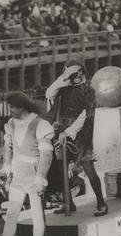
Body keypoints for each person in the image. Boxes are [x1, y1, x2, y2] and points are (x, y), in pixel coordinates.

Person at [0, 91, 54, 236]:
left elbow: (46, 155)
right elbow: (8, 149)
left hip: (33, 175)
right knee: (11, 214)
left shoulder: (40, 124)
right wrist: (5, 169)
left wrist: (41, 178)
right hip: (17, 175)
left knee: (37, 214)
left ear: (22, 107)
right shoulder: (11, 124)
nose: (9, 110)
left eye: (12, 107)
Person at [46, 59, 108, 216]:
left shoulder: (88, 90)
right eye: (75, 71)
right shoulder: (64, 88)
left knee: (88, 167)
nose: (78, 74)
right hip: (62, 132)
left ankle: (101, 203)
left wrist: (68, 132)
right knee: (61, 168)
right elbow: (49, 93)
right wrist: (64, 78)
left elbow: (86, 115)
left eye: (80, 70)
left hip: (82, 134)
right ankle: (69, 203)